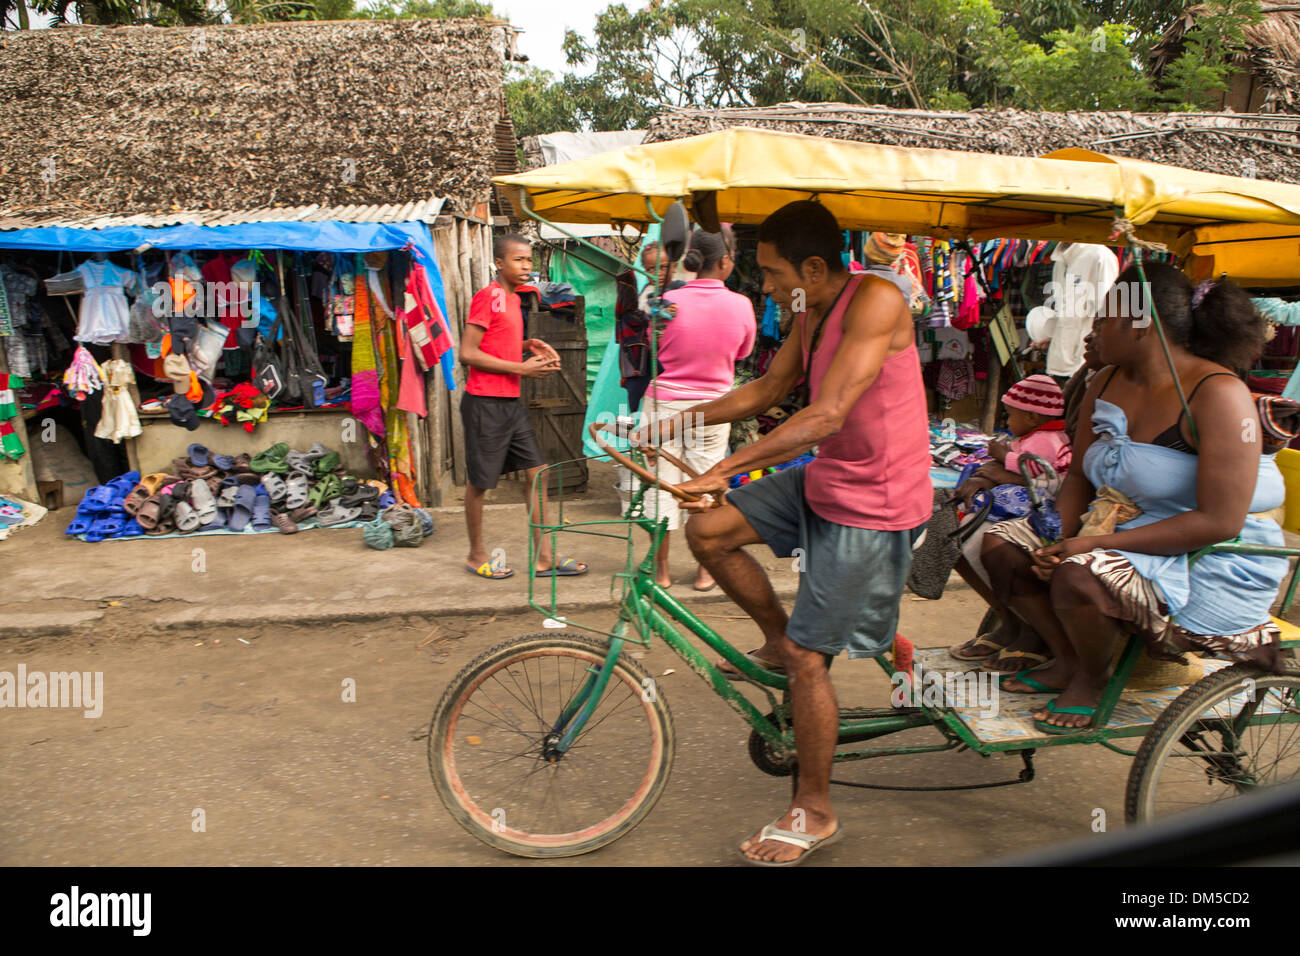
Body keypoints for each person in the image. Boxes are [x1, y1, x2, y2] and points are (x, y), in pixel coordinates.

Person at [640, 201, 932, 865]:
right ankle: (780, 637)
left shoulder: (878, 300)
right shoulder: (811, 305)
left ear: (812, 266)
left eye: (771, 273)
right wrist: (672, 422)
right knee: (708, 531)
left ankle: (816, 808)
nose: (763, 285)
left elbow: (827, 414)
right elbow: (770, 388)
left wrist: (728, 465)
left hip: (876, 499)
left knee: (809, 662)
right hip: (829, 477)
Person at [982, 263, 1288, 730]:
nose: (1094, 331)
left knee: (1077, 575)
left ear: (1139, 323)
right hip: (1116, 528)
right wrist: (1053, 540)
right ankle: (1065, 657)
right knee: (1000, 545)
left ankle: (1093, 676)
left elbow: (1220, 521)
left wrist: (1086, 546)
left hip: (1197, 552)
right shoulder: (1105, 381)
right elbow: (1080, 481)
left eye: (1103, 320)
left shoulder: (1219, 394)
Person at [459, 233, 589, 581]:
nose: (526, 266)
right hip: (484, 402)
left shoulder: (516, 300)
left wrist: (526, 344)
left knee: (538, 474)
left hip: (511, 402)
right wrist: (521, 368)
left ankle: (545, 558)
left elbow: (497, 342)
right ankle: (475, 554)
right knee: (481, 484)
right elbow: (468, 353)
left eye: (529, 260)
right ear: (498, 263)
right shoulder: (488, 298)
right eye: (518, 260)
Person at [638, 227, 755, 591]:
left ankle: (662, 572)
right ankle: (706, 571)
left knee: (660, 487)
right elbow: (744, 353)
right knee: (706, 484)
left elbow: (653, 348)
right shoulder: (741, 305)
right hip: (713, 407)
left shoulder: (665, 303)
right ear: (725, 261)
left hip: (664, 405)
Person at [948, 375, 1071, 669]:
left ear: (1031, 416)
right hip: (1035, 506)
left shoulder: (1046, 441)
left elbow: (1031, 470)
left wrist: (1002, 457)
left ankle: (1030, 631)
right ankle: (1010, 621)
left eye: (1011, 414)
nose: (1007, 419)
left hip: (1047, 516)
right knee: (953, 540)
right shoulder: (1038, 436)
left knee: (981, 543)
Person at [613, 243, 683, 415]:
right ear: (644, 270)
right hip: (645, 359)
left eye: (663, 267)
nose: (657, 273)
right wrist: (663, 309)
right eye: (651, 269)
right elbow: (646, 308)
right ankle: (626, 429)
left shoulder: (682, 289)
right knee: (634, 399)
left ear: (674, 267)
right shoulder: (648, 292)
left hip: (672, 359)